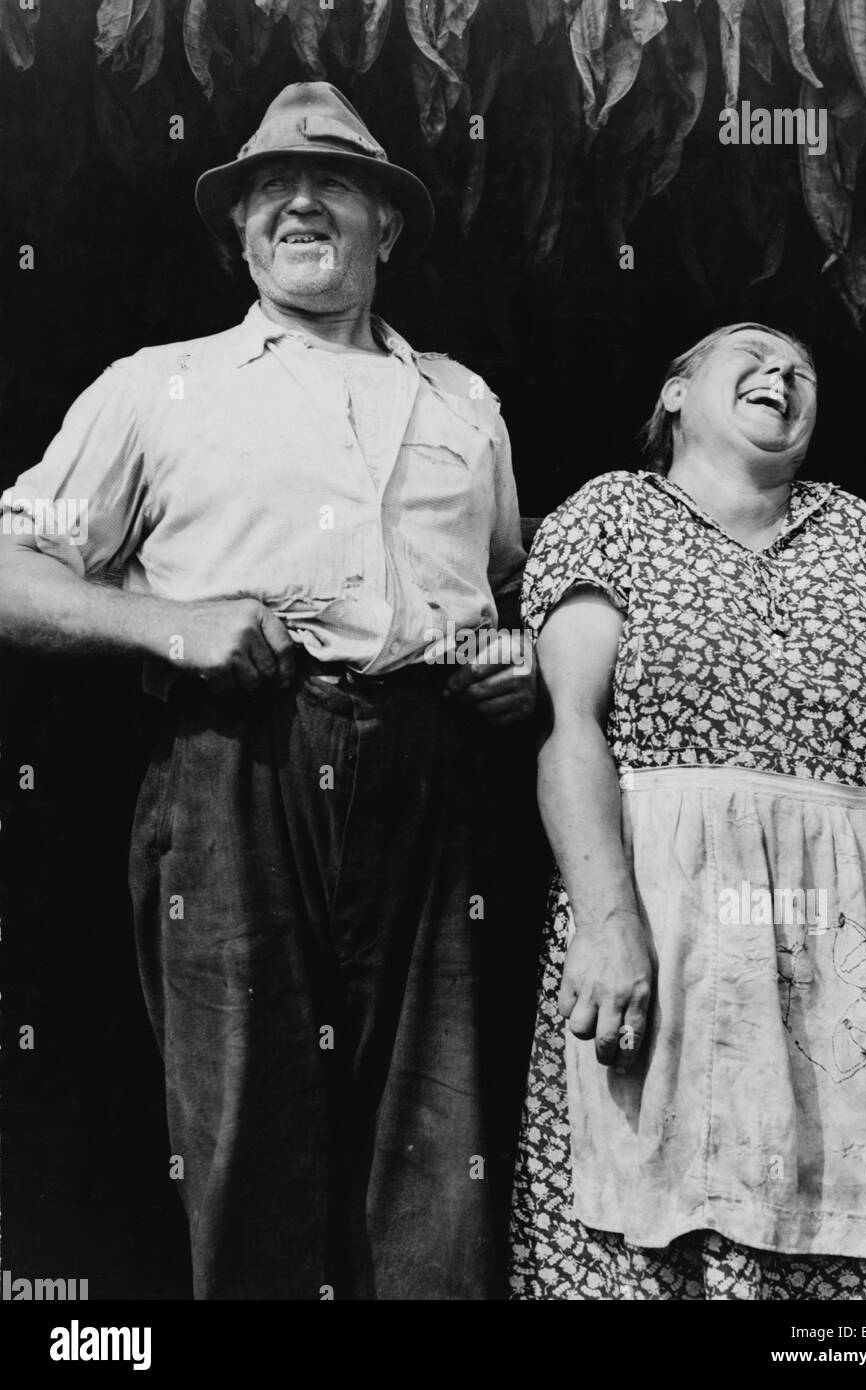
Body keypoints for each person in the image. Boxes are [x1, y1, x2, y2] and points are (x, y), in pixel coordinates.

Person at [0, 82, 536, 1300]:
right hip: (238, 764)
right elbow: (8, 570)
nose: (299, 200)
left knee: (437, 1150)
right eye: (266, 190)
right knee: (246, 1134)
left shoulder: (463, 401)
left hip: (433, 779)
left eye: (333, 181)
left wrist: (509, 673)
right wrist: (169, 626)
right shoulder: (159, 384)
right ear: (240, 231)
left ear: (383, 227)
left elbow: (497, 588)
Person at [508, 322, 866, 1300]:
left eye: (801, 369)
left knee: (855, 1244)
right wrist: (606, 919)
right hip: (666, 936)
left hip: (849, 947)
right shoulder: (613, 514)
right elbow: (568, 728)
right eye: (748, 353)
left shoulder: (858, 536)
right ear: (674, 394)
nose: (781, 374)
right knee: (644, 1238)